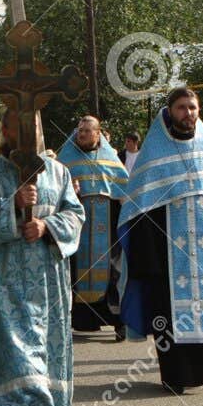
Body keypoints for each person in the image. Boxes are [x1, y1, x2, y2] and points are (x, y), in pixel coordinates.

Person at [0, 106, 86, 406]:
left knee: (45, 339)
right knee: (12, 342)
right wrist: (12, 205)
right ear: (7, 128)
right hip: (4, 277)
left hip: (47, 277)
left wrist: (48, 226)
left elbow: (76, 214)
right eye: (19, 123)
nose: (27, 131)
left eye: (32, 123)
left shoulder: (58, 172)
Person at [120, 88, 203, 394]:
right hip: (165, 255)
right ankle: (175, 375)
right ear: (170, 112)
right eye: (182, 107)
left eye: (193, 107)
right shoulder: (154, 154)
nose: (188, 113)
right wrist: (148, 260)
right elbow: (139, 209)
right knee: (167, 315)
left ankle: (202, 371)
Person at [57, 115, 128, 337]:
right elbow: (54, 191)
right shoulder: (65, 158)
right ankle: (83, 319)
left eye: (87, 131)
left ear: (98, 133)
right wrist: (70, 190)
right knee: (76, 271)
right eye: (80, 130)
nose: (82, 134)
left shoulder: (110, 158)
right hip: (77, 224)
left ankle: (118, 321)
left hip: (108, 225)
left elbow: (124, 191)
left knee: (113, 272)